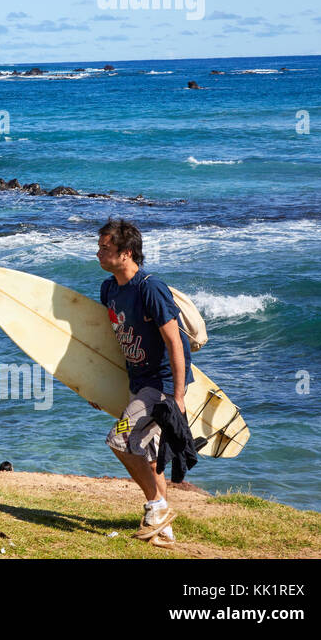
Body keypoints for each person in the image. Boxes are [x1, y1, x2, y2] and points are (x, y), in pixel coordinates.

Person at [93, 218, 191, 548]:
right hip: (138, 382)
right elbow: (113, 342)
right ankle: (163, 532)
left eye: (105, 248)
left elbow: (175, 343)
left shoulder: (150, 288)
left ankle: (157, 506)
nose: (98, 253)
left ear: (127, 253)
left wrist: (177, 396)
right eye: (99, 246)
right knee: (148, 457)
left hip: (160, 386)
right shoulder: (110, 289)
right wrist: (93, 384)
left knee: (119, 439)